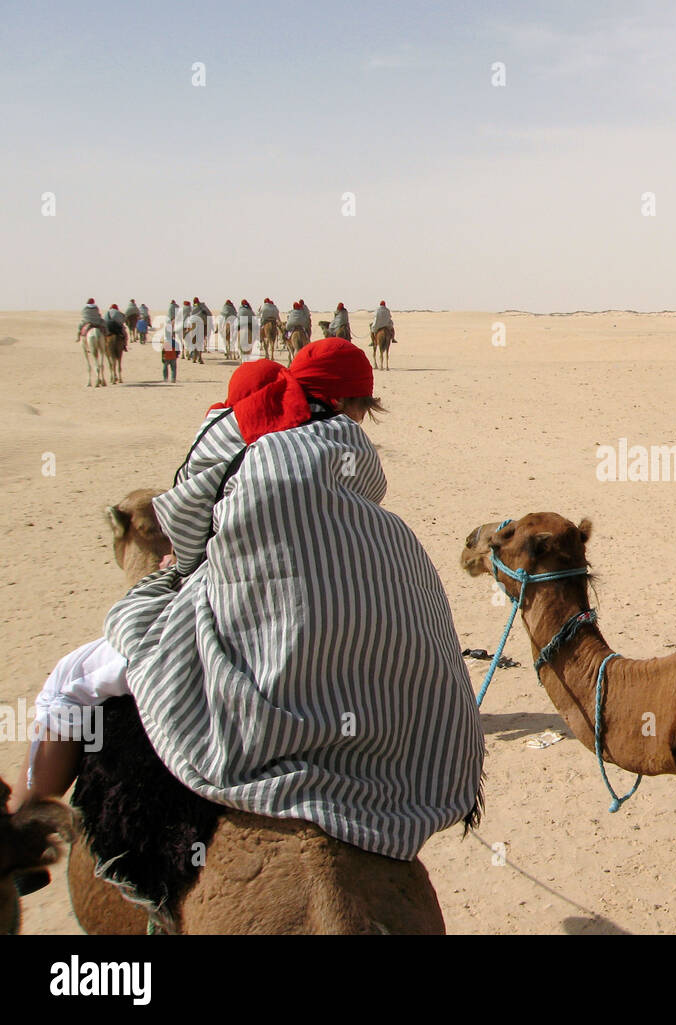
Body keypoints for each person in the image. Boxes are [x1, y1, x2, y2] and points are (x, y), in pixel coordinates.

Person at [16, 339, 485, 865]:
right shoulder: (352, 453)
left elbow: (187, 538)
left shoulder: (235, 434)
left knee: (69, 680)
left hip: (261, 619)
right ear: (353, 403)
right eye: (361, 408)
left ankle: (30, 819)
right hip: (372, 640)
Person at [161, 316, 179, 381]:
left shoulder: (165, 342)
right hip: (173, 357)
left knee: (165, 368)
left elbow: (163, 351)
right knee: (173, 368)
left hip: (166, 357)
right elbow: (178, 350)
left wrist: (162, 357)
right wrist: (177, 355)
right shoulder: (174, 342)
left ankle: (165, 378)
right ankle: (173, 379)